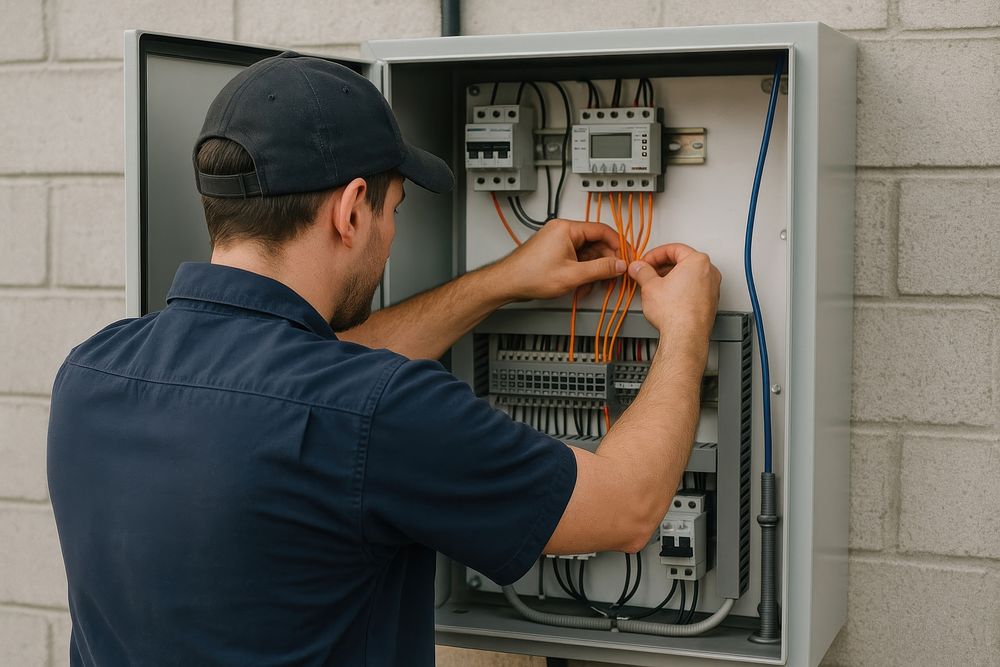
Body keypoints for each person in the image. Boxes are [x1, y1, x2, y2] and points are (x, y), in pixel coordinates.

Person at [47, 53, 720, 666]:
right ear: (349, 211)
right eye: (393, 209)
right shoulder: (380, 411)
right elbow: (630, 507)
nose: (392, 237)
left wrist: (500, 281)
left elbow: (295, 379)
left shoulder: (89, 374)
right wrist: (685, 329)